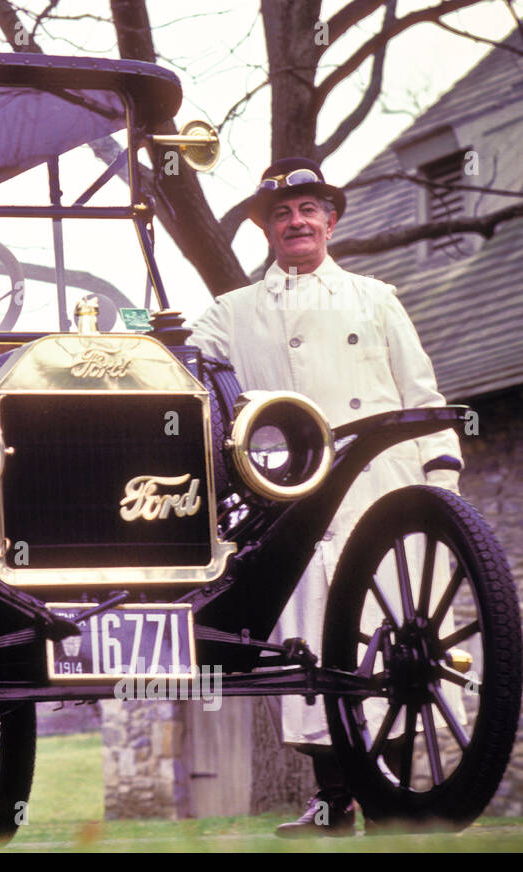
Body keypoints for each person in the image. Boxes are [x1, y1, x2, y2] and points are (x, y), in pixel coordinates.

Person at [184, 158, 464, 837]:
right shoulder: (233, 311)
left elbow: (424, 396)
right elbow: (185, 371)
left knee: (394, 645)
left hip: (383, 491)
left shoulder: (376, 297)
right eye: (281, 214)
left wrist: (442, 484)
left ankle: (395, 798)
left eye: (308, 210)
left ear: (331, 221)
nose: (296, 222)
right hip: (294, 499)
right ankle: (333, 802)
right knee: (311, 649)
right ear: (266, 229)